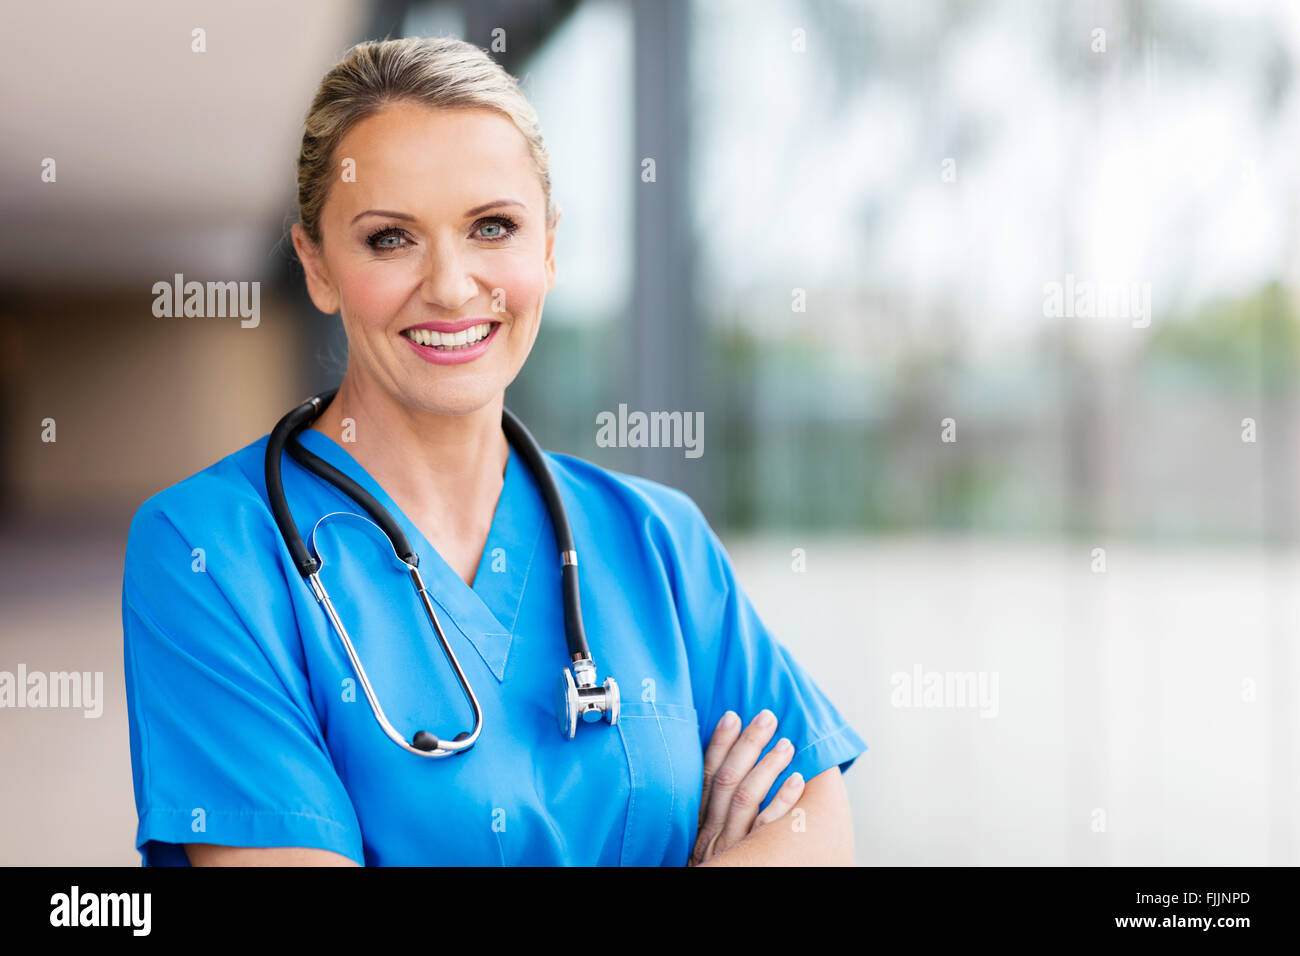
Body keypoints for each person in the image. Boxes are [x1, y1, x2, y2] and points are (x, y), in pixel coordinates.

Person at [122, 35, 867, 867]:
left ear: (546, 250)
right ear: (317, 266)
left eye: (492, 227)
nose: (449, 285)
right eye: (389, 239)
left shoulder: (659, 538)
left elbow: (813, 817)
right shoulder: (208, 552)